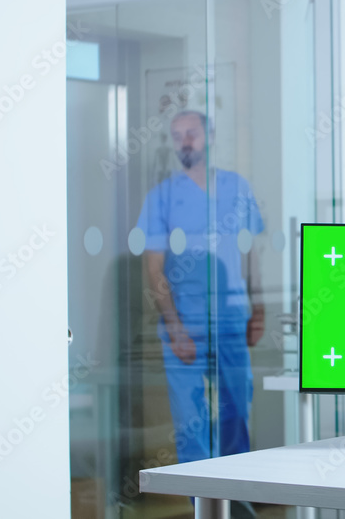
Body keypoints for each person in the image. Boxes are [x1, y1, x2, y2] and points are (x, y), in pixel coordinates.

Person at [136, 110, 266, 476]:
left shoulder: (237, 188)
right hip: (185, 327)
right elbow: (153, 268)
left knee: (236, 414)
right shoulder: (161, 197)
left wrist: (259, 308)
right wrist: (175, 328)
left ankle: (235, 501)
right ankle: (201, 508)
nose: (185, 141)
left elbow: (250, 250)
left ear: (210, 135)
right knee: (192, 425)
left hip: (231, 321)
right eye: (177, 136)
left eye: (191, 132)